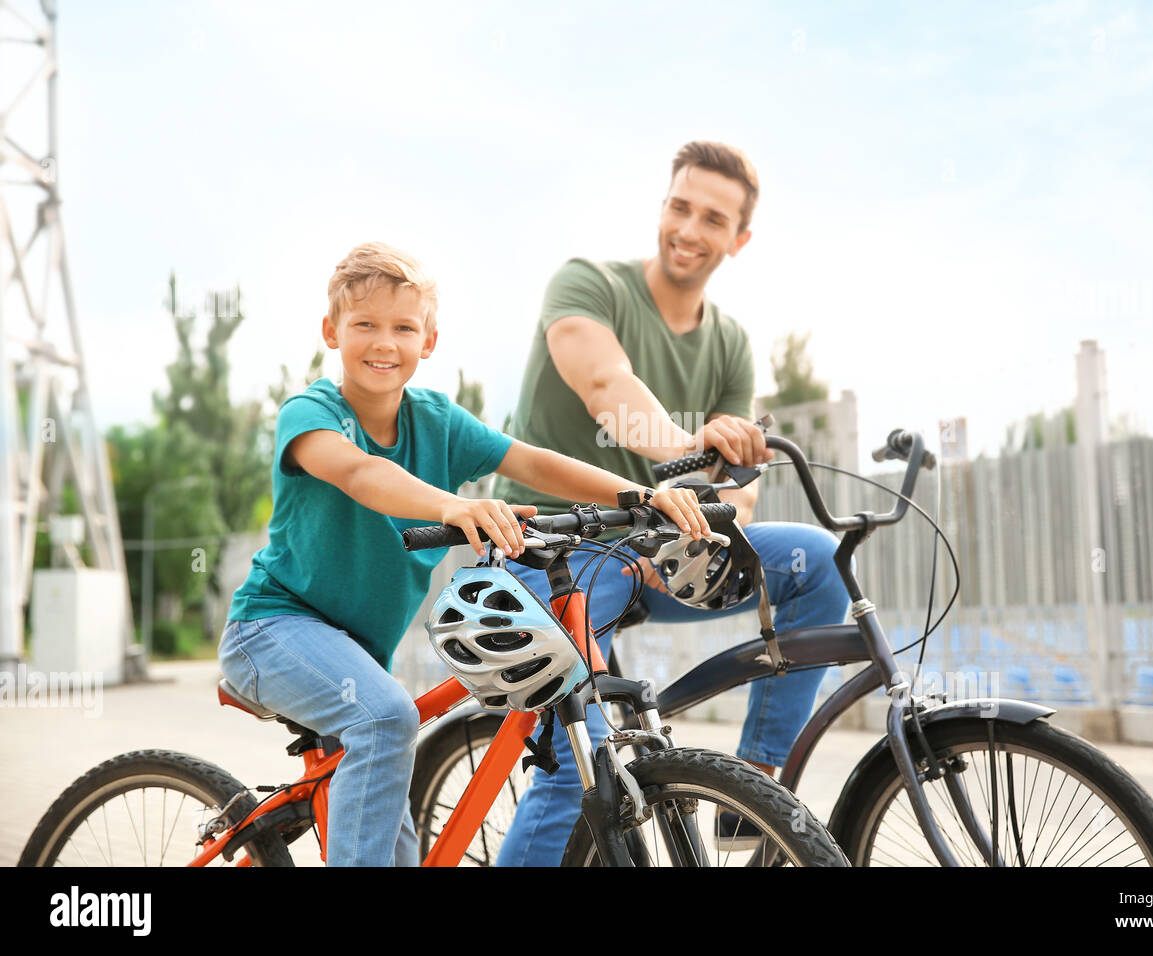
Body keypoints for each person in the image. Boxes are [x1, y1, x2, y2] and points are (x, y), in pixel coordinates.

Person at [220, 241, 708, 866]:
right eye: (364, 324)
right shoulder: (313, 413)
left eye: (403, 327)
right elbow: (362, 475)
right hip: (270, 631)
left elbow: (528, 460)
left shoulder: (437, 421)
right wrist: (453, 506)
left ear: (428, 341)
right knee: (386, 718)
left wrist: (640, 493)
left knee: (388, 789)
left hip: (356, 655)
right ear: (331, 332)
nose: (383, 342)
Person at [492, 141, 848, 865]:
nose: (689, 228)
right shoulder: (588, 285)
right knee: (578, 772)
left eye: (712, 217)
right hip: (546, 551)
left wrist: (698, 539)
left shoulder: (730, 345)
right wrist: (682, 455)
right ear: (663, 207)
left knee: (816, 563)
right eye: (679, 206)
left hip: (648, 555)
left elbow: (736, 491)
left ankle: (752, 788)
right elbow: (604, 386)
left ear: (738, 239)